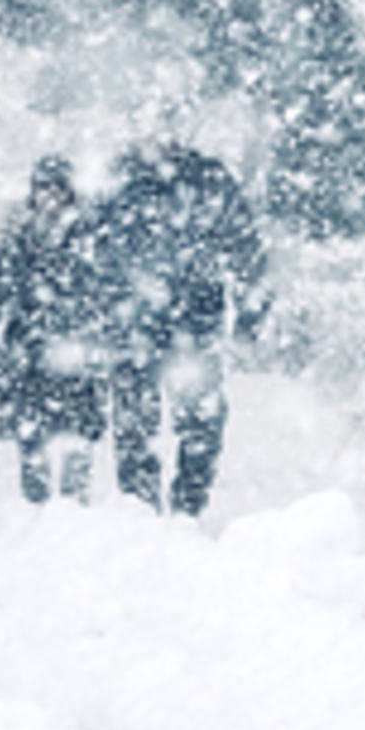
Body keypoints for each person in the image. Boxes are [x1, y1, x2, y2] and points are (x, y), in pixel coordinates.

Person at [93, 137, 266, 515]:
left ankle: (188, 507)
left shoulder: (210, 183)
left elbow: (247, 253)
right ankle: (140, 510)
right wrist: (105, 310)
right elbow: (96, 254)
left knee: (201, 422)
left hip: (194, 325)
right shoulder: (122, 184)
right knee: (135, 427)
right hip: (135, 329)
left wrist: (248, 320)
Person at [0, 156, 112, 504]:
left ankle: (73, 506)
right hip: (29, 357)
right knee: (32, 441)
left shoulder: (92, 239)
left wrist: (104, 343)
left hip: (78, 355)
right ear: (33, 193)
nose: (51, 196)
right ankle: (37, 508)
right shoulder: (14, 242)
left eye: (58, 188)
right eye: (43, 188)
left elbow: (109, 293)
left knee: (79, 439)